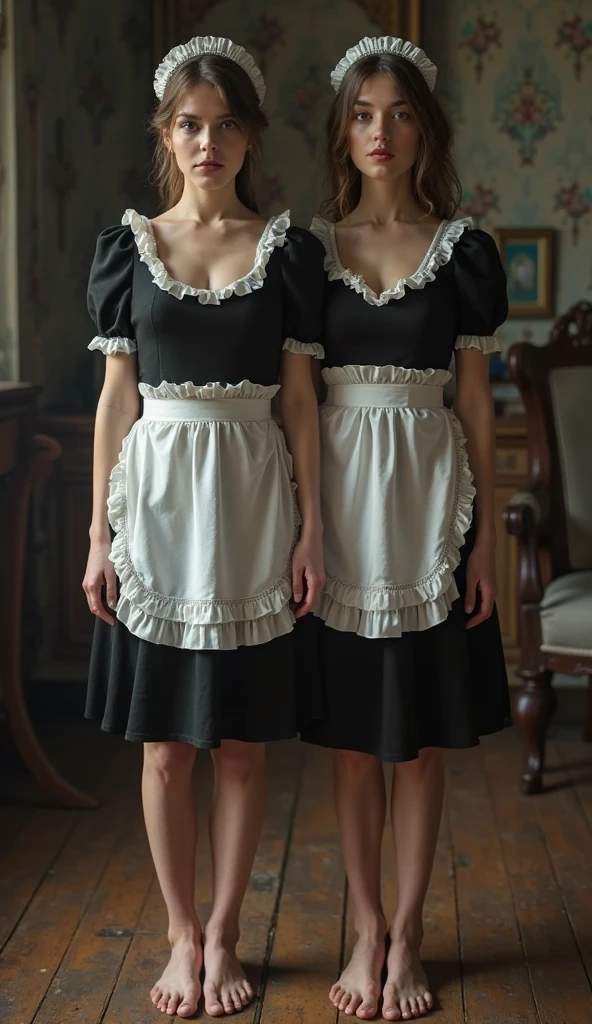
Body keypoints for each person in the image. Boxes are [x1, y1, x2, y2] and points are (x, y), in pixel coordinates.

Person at [82, 35, 325, 1019]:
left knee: (238, 745)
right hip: (157, 510)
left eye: (225, 125)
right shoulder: (126, 248)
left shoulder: (286, 251)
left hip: (252, 505)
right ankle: (180, 934)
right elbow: (113, 402)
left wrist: (311, 531)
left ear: (249, 136)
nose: (207, 140)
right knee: (163, 750)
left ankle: (227, 930)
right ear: (166, 133)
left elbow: (301, 401)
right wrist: (99, 536)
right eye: (190, 123)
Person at [301, 36, 511, 1021]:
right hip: (341, 512)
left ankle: (412, 929)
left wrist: (486, 543)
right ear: (342, 133)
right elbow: (296, 407)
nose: (379, 131)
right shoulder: (306, 251)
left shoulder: (462, 251)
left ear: (424, 125)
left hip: (430, 505)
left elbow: (473, 405)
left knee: (417, 740)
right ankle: (365, 926)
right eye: (361, 113)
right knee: (353, 742)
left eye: (398, 112)